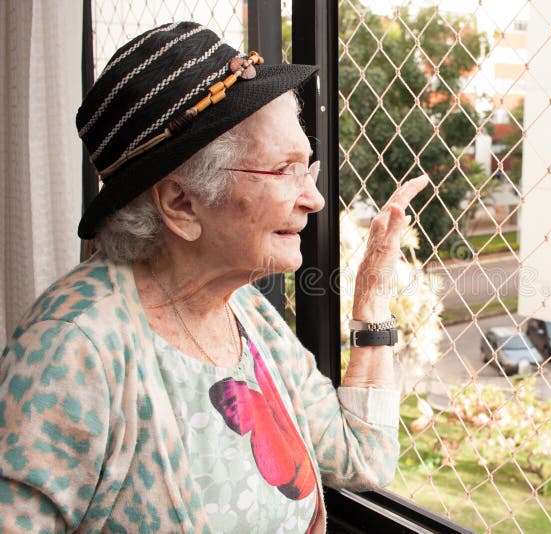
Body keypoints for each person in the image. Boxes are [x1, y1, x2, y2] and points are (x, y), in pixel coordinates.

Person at [0, 21, 428, 532]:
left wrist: (372, 304)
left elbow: (362, 455)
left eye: (307, 167)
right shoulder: (73, 349)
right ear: (181, 204)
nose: (313, 198)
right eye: (283, 169)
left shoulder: (244, 314)